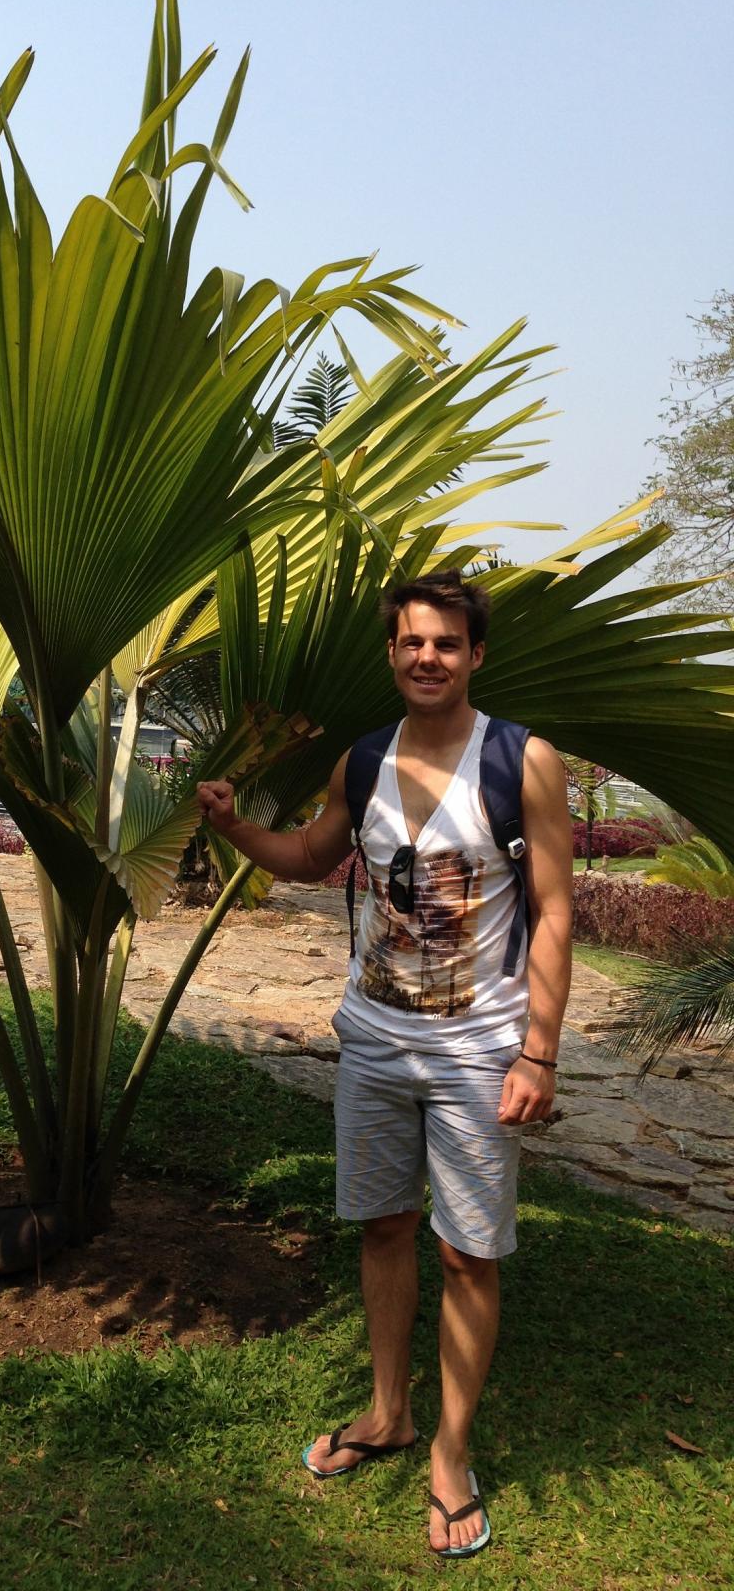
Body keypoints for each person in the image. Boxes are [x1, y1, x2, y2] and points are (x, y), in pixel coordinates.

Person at [197, 570, 572, 1559]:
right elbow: (314, 857)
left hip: (480, 1047)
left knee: (468, 1250)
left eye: (447, 642)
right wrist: (237, 826)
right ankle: (387, 1412)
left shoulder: (521, 760)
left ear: (475, 654)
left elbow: (556, 913)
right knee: (385, 1228)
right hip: (373, 1036)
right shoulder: (363, 763)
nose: (428, 657)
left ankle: (451, 1450)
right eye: (411, 642)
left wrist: (539, 1048)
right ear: (393, 652)